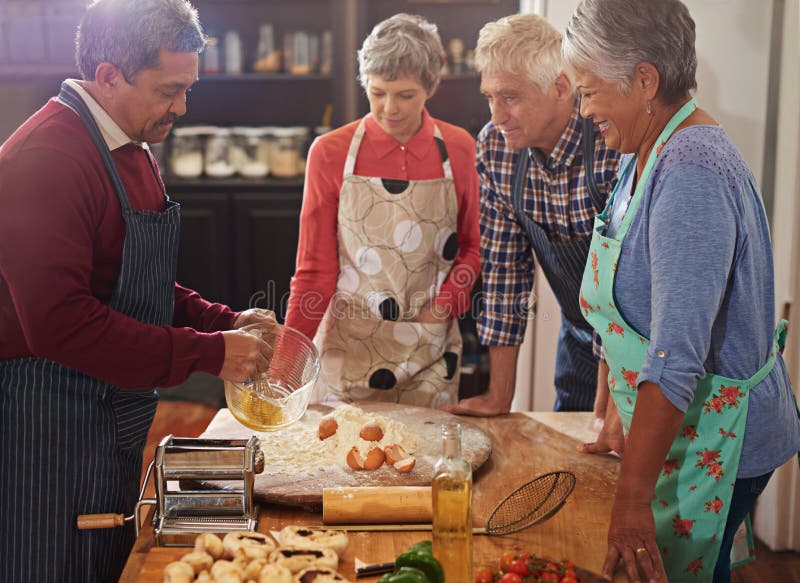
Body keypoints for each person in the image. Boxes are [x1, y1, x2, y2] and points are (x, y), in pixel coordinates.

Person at [0, 1, 276, 580]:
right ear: (108, 75)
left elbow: (134, 279)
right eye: (169, 90)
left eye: (187, 88)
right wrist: (210, 354)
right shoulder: (47, 159)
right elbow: (61, 323)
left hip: (105, 412)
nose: (181, 106)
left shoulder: (130, 142)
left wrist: (220, 320)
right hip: (45, 423)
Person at [562, 0, 800, 581]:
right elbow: (627, 310)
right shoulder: (647, 147)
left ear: (645, 79)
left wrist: (632, 498)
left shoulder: (691, 169)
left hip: (717, 440)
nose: (583, 109)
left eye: (590, 92)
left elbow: (675, 353)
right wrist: (617, 410)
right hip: (682, 427)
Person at [284, 13, 480, 408]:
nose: (389, 108)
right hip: (347, 351)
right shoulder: (330, 153)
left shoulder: (460, 149)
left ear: (432, 86)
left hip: (429, 350)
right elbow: (314, 272)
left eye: (405, 95)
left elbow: (474, 245)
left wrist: (442, 306)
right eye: (377, 93)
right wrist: (285, 365)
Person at [443, 14, 619, 416]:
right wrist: (498, 396)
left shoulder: (611, 146)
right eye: (489, 97)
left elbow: (622, 288)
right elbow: (506, 272)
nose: (495, 116)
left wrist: (611, 404)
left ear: (561, 87)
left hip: (638, 351)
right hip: (578, 341)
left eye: (510, 97)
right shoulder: (496, 148)